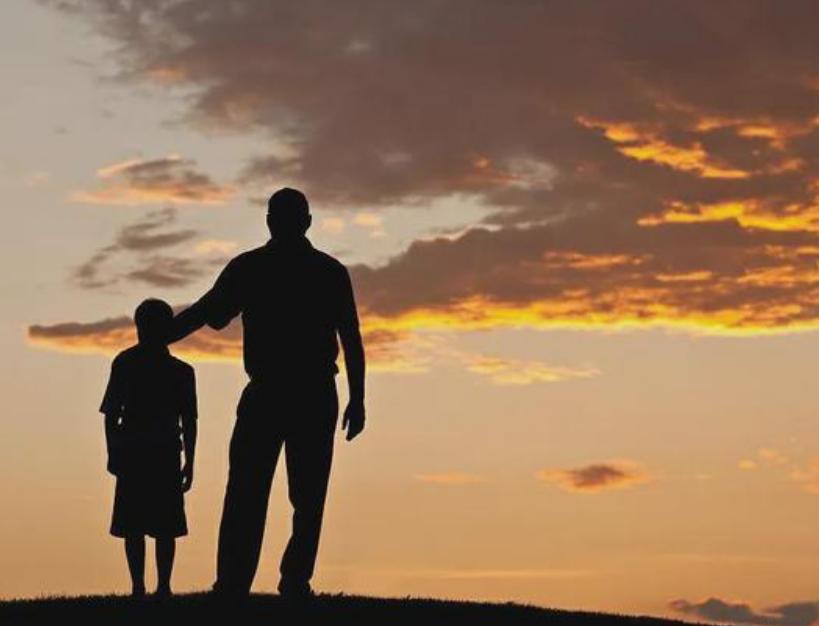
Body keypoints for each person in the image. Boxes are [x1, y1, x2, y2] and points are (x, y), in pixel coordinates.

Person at [171, 187, 366, 600]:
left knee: (266, 491)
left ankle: (257, 582)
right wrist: (357, 397)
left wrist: (359, 397)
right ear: (306, 222)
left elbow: (209, 311)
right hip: (296, 392)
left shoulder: (259, 267)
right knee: (280, 492)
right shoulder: (317, 270)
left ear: (272, 221)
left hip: (289, 391)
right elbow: (211, 309)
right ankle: (265, 582)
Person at [100, 298, 198, 598]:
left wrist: (189, 461)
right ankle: (145, 587)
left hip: (155, 451)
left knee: (155, 525)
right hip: (146, 451)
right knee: (141, 525)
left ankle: (155, 587)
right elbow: (111, 413)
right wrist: (113, 452)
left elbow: (189, 419)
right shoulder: (133, 364)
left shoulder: (174, 370)